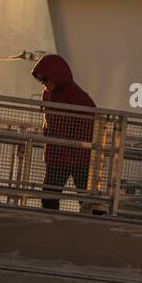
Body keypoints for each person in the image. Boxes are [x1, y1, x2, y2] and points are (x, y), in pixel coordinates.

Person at [32, 54, 96, 211]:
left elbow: (91, 124)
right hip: (57, 154)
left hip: (79, 156)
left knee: (85, 196)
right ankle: (51, 223)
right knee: (49, 195)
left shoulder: (78, 96)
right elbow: (49, 121)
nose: (43, 84)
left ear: (56, 76)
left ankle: (94, 224)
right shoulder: (47, 94)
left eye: (45, 80)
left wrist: (73, 144)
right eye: (40, 80)